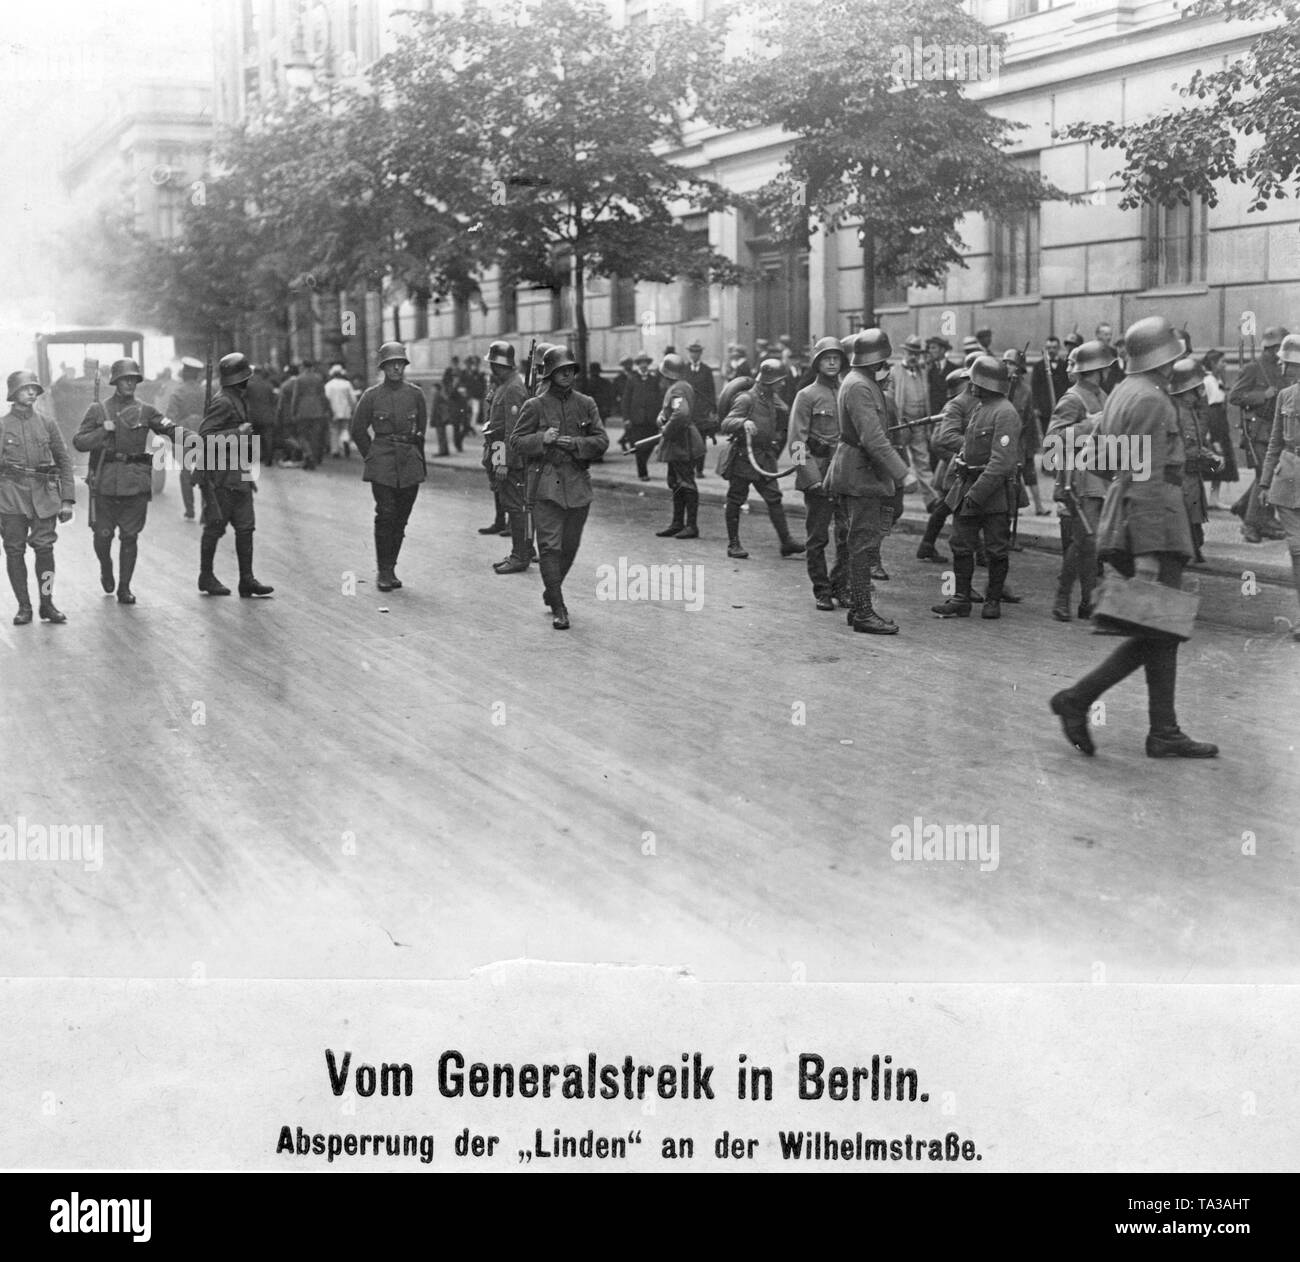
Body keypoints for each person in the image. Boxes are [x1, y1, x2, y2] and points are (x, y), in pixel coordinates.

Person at [1049, 316, 1218, 759]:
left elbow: (1106, 463)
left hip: (1128, 518)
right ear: (1165, 356)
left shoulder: (1125, 392)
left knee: (1160, 630)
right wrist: (1146, 555)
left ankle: (1162, 729)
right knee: (1159, 629)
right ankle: (1082, 699)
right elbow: (1145, 477)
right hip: (1153, 526)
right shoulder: (1152, 401)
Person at [509, 345, 609, 630]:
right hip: (546, 485)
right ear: (551, 374)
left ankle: (551, 589)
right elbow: (516, 441)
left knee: (570, 546)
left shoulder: (586, 403)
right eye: (561, 371)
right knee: (550, 547)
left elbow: (601, 441)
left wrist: (574, 444)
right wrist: (543, 438)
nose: (567, 375)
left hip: (577, 485)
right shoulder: (535, 405)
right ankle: (559, 605)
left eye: (570, 370)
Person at [822, 330, 916, 633]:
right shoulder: (860, 387)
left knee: (859, 541)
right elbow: (873, 439)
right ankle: (862, 612)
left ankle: (858, 609)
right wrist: (903, 473)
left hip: (861, 471)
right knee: (863, 543)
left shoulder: (861, 382)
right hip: (860, 474)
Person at [73, 357, 178, 605]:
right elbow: (79, 442)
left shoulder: (147, 410)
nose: (129, 384)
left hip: (135, 483)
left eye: (133, 379)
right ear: (115, 382)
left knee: (130, 537)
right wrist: (102, 432)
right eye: (124, 380)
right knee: (102, 536)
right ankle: (106, 567)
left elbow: (172, 429)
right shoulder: (99, 410)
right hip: (106, 483)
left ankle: (124, 587)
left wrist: (200, 440)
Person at [930, 355, 1022, 621]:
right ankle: (961, 599)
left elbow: (1001, 462)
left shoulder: (1005, 412)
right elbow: (969, 446)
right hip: (968, 485)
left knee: (995, 549)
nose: (971, 385)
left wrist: (976, 495)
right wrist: (961, 459)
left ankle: (992, 600)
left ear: (988, 384)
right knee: (960, 544)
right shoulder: (981, 408)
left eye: (975, 381)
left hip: (991, 494)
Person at [1044, 339, 1114, 621]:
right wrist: (1089, 423)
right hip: (1079, 478)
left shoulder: (1103, 395)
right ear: (1096, 370)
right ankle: (1062, 598)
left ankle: (1088, 601)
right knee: (1082, 539)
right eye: (1105, 368)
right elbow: (1052, 441)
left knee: (1092, 542)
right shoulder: (1073, 398)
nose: (1107, 373)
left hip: (1102, 475)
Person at [351, 342, 428, 593]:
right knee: (385, 515)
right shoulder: (371, 396)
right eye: (391, 364)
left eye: (400, 363)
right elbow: (358, 430)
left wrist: (419, 461)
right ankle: (383, 570)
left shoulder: (415, 394)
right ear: (383, 367)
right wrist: (371, 456)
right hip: (382, 461)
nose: (396, 367)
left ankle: (391, 566)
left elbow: (422, 431)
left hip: (409, 462)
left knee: (401, 519)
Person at [195, 353, 272, 599]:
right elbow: (205, 437)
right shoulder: (224, 402)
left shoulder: (236, 398)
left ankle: (246, 579)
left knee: (246, 527)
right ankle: (206, 576)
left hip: (239, 474)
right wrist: (237, 432)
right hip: (222, 477)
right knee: (215, 527)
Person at [1, 371, 75, 624]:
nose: (32, 392)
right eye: (25, 388)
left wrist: (67, 500)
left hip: (44, 496)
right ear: (14, 393)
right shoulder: (2, 426)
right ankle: (24, 607)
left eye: (34, 388)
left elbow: (64, 461)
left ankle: (47, 603)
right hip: (11, 497)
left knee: (45, 550)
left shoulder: (47, 423)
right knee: (14, 551)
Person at [718, 359, 804, 560]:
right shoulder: (746, 399)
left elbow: (788, 412)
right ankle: (733, 544)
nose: (783, 384)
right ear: (768, 380)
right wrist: (743, 421)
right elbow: (725, 423)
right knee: (736, 499)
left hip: (764, 458)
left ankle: (786, 542)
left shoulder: (771, 397)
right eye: (779, 381)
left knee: (774, 498)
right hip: (744, 458)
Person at [789, 336, 849, 610]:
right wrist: (810, 478)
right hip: (820, 475)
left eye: (837, 357)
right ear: (817, 363)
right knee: (818, 537)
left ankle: (841, 586)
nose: (833, 362)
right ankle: (822, 590)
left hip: (846, 475)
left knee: (847, 535)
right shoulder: (806, 396)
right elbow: (797, 442)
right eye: (827, 358)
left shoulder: (848, 391)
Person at [1228, 325, 1289, 543]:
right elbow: (1235, 396)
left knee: (1270, 475)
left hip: (1276, 430)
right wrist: (1262, 395)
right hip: (1257, 431)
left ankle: (1250, 511)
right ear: (1271, 348)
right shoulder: (1254, 368)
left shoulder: (1281, 368)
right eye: (1280, 348)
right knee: (1266, 475)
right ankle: (1251, 524)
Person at [1259, 332, 1300, 640]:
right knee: (1297, 550)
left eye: (1289, 364)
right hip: (1286, 477)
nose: (1284, 370)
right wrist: (1263, 482)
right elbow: (1274, 441)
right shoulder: (1284, 397)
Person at [481, 340, 532, 573]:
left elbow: (512, 430)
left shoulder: (512, 388)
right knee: (513, 504)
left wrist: (503, 461)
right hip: (498, 450)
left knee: (515, 506)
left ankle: (520, 556)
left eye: (493, 363)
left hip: (507, 456)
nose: (491, 367)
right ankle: (521, 551)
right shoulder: (504, 385)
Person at [1168, 357, 1216, 565]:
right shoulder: (1176, 411)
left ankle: (1193, 548)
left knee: (1193, 511)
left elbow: (1194, 441)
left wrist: (1208, 455)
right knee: (1186, 511)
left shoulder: (1189, 410)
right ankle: (1187, 550)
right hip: (1181, 471)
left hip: (1191, 469)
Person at [650, 353, 701, 539]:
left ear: (667, 375)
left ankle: (691, 525)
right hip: (679, 442)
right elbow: (674, 411)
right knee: (676, 482)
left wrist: (666, 429)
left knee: (686, 483)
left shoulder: (677, 389)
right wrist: (661, 417)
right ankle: (678, 523)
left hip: (681, 443)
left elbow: (681, 413)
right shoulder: (681, 387)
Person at [888, 334, 940, 511]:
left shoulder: (922, 371)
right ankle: (893, 500)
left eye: (916, 354)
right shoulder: (895, 371)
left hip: (919, 424)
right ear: (904, 352)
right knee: (898, 461)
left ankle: (932, 500)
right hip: (901, 424)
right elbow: (889, 398)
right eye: (910, 353)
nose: (913, 357)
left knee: (923, 462)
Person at [166, 357, 206, 519]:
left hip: (185, 437)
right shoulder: (207, 391)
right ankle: (206, 510)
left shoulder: (178, 393)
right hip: (205, 436)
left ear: (185, 373)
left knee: (185, 472)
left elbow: (171, 418)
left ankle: (190, 510)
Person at [1200, 349, 1236, 508]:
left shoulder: (1218, 380)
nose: (1225, 365)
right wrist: (1211, 434)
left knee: (1222, 460)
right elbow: (1209, 409)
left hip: (1221, 422)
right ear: (1214, 363)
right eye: (1222, 362)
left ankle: (1214, 498)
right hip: (1213, 422)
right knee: (1213, 457)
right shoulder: (1208, 381)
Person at [621, 352, 661, 481]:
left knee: (650, 445)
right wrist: (626, 418)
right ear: (638, 364)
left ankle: (643, 466)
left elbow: (658, 399)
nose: (644, 365)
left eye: (646, 363)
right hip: (636, 420)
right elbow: (626, 400)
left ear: (648, 364)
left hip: (651, 419)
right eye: (641, 363)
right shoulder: (632, 379)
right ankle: (642, 472)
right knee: (639, 446)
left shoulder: (653, 379)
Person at [684, 341, 718, 476]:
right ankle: (690, 468)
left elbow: (711, 391)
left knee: (701, 441)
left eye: (697, 352)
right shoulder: (684, 370)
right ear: (689, 354)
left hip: (702, 412)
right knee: (688, 441)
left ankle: (699, 469)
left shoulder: (706, 370)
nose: (694, 355)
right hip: (688, 411)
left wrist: (712, 409)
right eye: (692, 352)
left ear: (700, 354)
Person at [290, 359, 330, 470]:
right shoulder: (318, 378)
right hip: (317, 410)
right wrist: (325, 409)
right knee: (315, 436)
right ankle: (313, 457)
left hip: (303, 410)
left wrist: (293, 411)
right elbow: (323, 395)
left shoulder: (299, 379)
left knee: (302, 435)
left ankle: (308, 455)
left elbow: (296, 397)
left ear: (303, 366)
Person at [325, 365, 356, 458]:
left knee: (333, 430)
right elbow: (352, 398)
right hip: (345, 410)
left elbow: (326, 398)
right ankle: (345, 440)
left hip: (333, 410)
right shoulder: (347, 384)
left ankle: (335, 450)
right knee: (345, 428)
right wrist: (353, 408)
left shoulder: (328, 385)